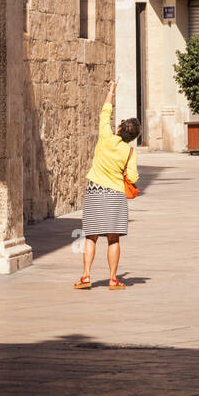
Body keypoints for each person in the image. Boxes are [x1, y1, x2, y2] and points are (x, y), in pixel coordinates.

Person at [75, 80, 140, 291]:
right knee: (113, 239)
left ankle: (86, 276)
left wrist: (111, 91)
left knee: (91, 237)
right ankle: (113, 279)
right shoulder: (129, 152)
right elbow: (133, 176)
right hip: (115, 195)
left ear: (119, 128)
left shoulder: (105, 137)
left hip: (95, 191)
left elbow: (105, 113)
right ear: (133, 137)